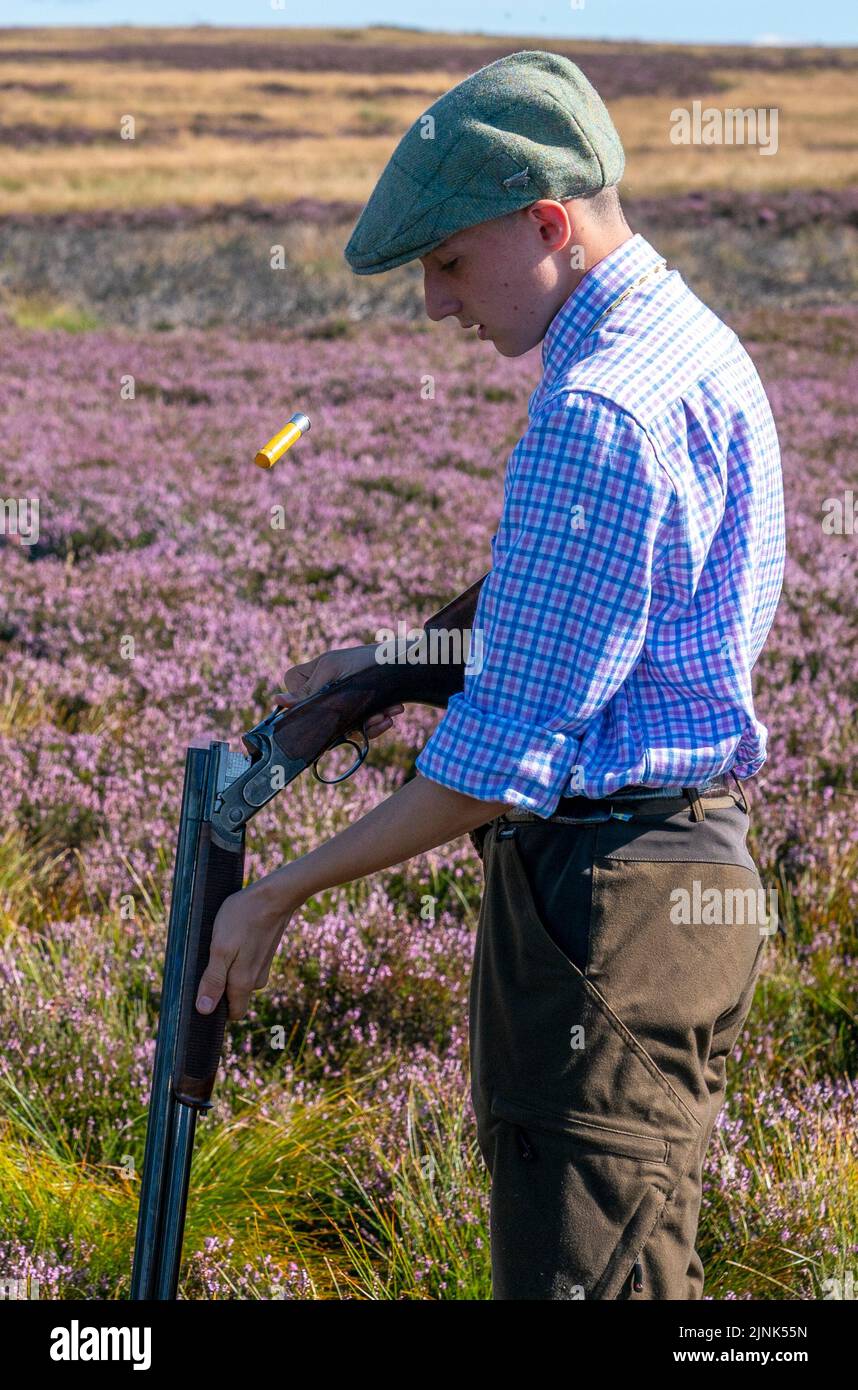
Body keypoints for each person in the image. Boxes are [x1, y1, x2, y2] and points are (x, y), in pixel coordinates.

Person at [196, 50, 786, 1300]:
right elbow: (592, 625)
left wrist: (276, 896)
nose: (434, 305)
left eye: (449, 263)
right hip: (684, 882)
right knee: (638, 1261)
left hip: (603, 914)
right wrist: (389, 664)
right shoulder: (690, 342)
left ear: (548, 224)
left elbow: (498, 763)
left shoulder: (600, 411)